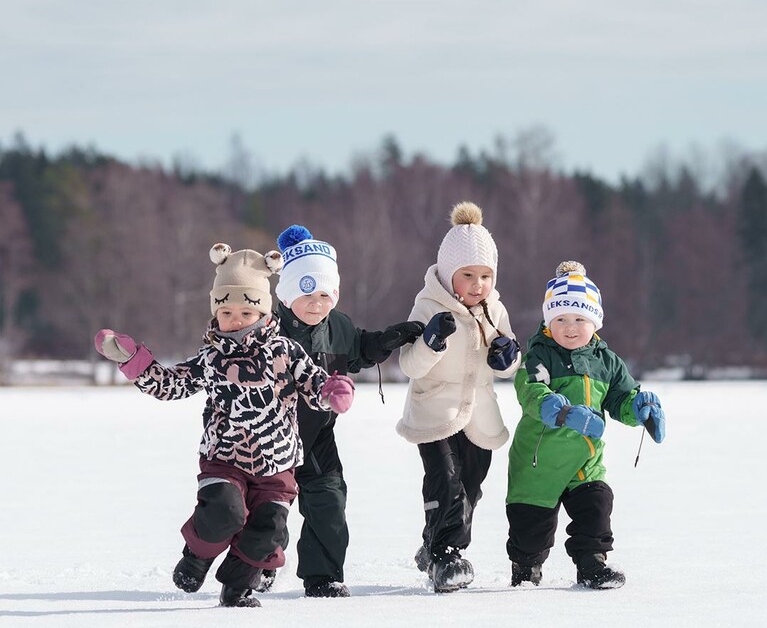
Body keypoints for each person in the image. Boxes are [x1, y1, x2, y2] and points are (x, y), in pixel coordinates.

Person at [93, 243, 355, 608]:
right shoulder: (212, 357)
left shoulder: (284, 352)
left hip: (278, 463)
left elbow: (313, 383)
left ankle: (237, 589)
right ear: (216, 311)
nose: (236, 319)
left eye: (246, 311)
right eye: (226, 311)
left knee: (267, 531)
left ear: (263, 311)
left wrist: (333, 390)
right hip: (225, 457)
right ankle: (197, 556)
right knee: (224, 512)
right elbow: (173, 384)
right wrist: (135, 361)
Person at [262, 224, 425, 598]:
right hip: (269, 439)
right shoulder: (267, 330)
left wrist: (387, 340)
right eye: (307, 293)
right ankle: (260, 563)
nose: (317, 303)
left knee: (329, 502)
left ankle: (323, 577)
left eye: (325, 294)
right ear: (286, 294)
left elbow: (359, 349)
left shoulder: (337, 325)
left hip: (318, 436)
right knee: (268, 509)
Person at [505, 261, 665, 590]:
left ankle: (592, 563)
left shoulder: (606, 361)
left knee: (596, 507)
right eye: (560, 319)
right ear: (549, 322)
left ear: (595, 321)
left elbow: (621, 398)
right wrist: (562, 412)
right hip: (539, 461)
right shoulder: (539, 356)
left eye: (579, 319)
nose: (570, 328)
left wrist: (640, 408)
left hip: (585, 461)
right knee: (531, 531)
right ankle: (526, 567)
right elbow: (531, 392)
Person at [397, 201, 521, 593]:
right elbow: (409, 365)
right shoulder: (427, 306)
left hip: (479, 415)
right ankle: (447, 555)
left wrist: (508, 357)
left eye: (485, 276)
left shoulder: (495, 309)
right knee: (445, 481)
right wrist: (430, 342)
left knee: (470, 486)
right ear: (450, 274)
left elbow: (509, 363)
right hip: (435, 411)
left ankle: (432, 543)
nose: (478, 284)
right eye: (468, 275)